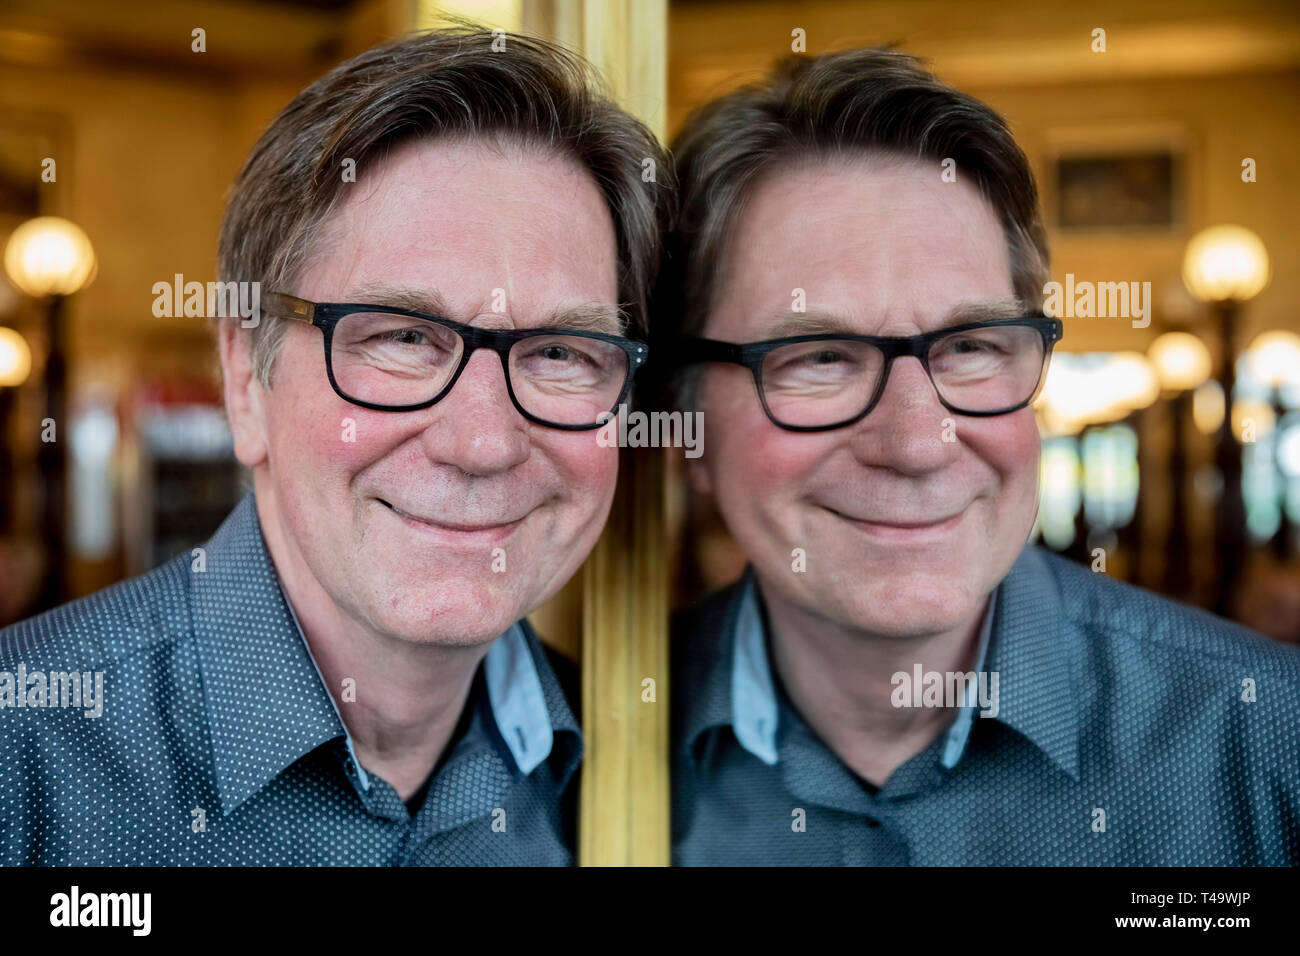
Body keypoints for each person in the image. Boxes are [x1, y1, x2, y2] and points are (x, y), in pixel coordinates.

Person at [0, 26, 671, 866]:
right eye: (402, 338)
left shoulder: (639, 777)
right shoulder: (23, 758)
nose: (483, 442)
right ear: (245, 377)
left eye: (561, 353)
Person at [662, 47, 1300, 865]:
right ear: (684, 420)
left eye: (969, 346)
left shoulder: (1268, 740)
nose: (915, 445)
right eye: (818, 357)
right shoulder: (585, 752)